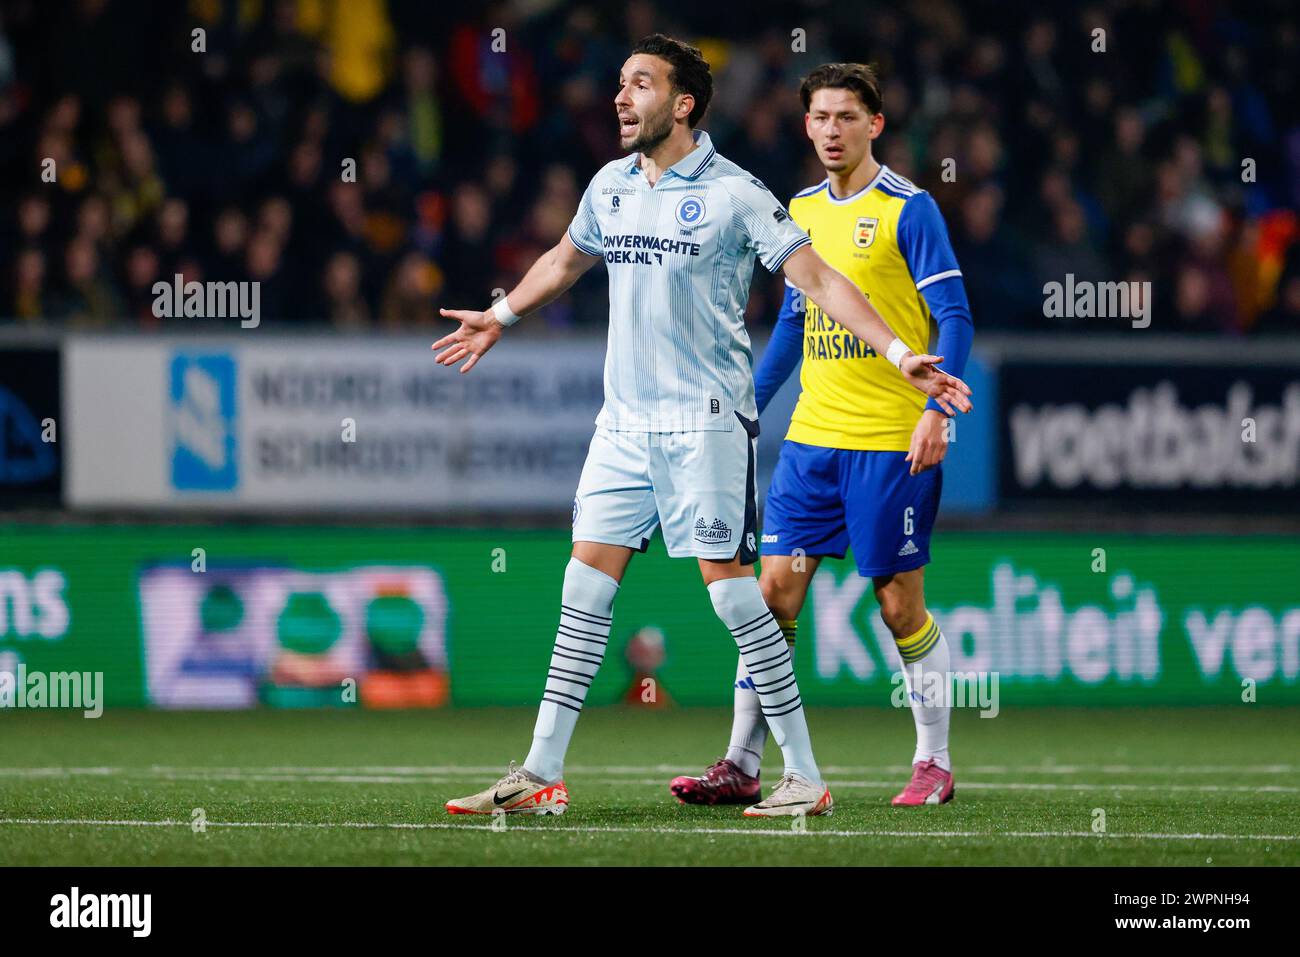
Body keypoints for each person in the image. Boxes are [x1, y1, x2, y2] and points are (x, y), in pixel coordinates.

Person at [436, 39, 971, 818]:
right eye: (620, 83)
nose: (621, 97)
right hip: (622, 424)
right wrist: (501, 315)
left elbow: (819, 281)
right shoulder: (610, 184)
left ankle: (806, 776)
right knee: (583, 586)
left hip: (707, 424)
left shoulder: (736, 193)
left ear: (683, 103)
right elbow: (563, 259)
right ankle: (541, 770)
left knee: (738, 600)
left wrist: (898, 354)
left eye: (640, 84)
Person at [670, 63, 974, 808]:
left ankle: (933, 762)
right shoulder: (799, 209)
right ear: (805, 126)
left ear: (875, 124)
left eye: (847, 117)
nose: (832, 131)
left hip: (891, 440)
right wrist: (745, 404)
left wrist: (937, 413)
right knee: (770, 596)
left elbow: (955, 319)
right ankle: (742, 762)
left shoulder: (910, 209)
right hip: (812, 442)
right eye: (821, 118)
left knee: (898, 606)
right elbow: (793, 324)